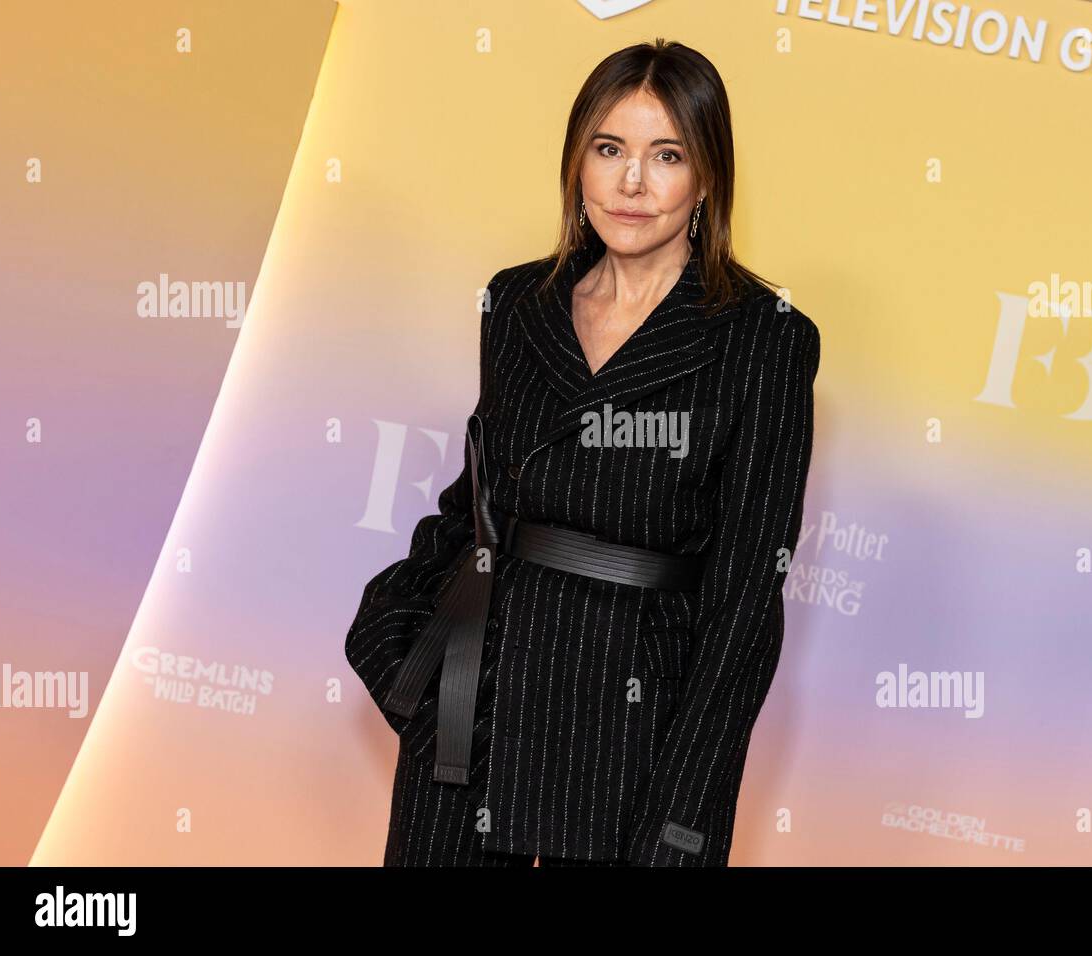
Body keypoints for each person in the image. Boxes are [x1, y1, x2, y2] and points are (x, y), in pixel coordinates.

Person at [345, 38, 820, 867]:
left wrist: (682, 816)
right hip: (476, 708)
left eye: (666, 155)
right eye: (610, 150)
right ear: (577, 165)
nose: (632, 183)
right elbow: (478, 501)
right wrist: (393, 637)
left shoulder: (763, 340)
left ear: (707, 175)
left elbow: (745, 604)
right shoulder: (517, 302)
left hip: (631, 734)